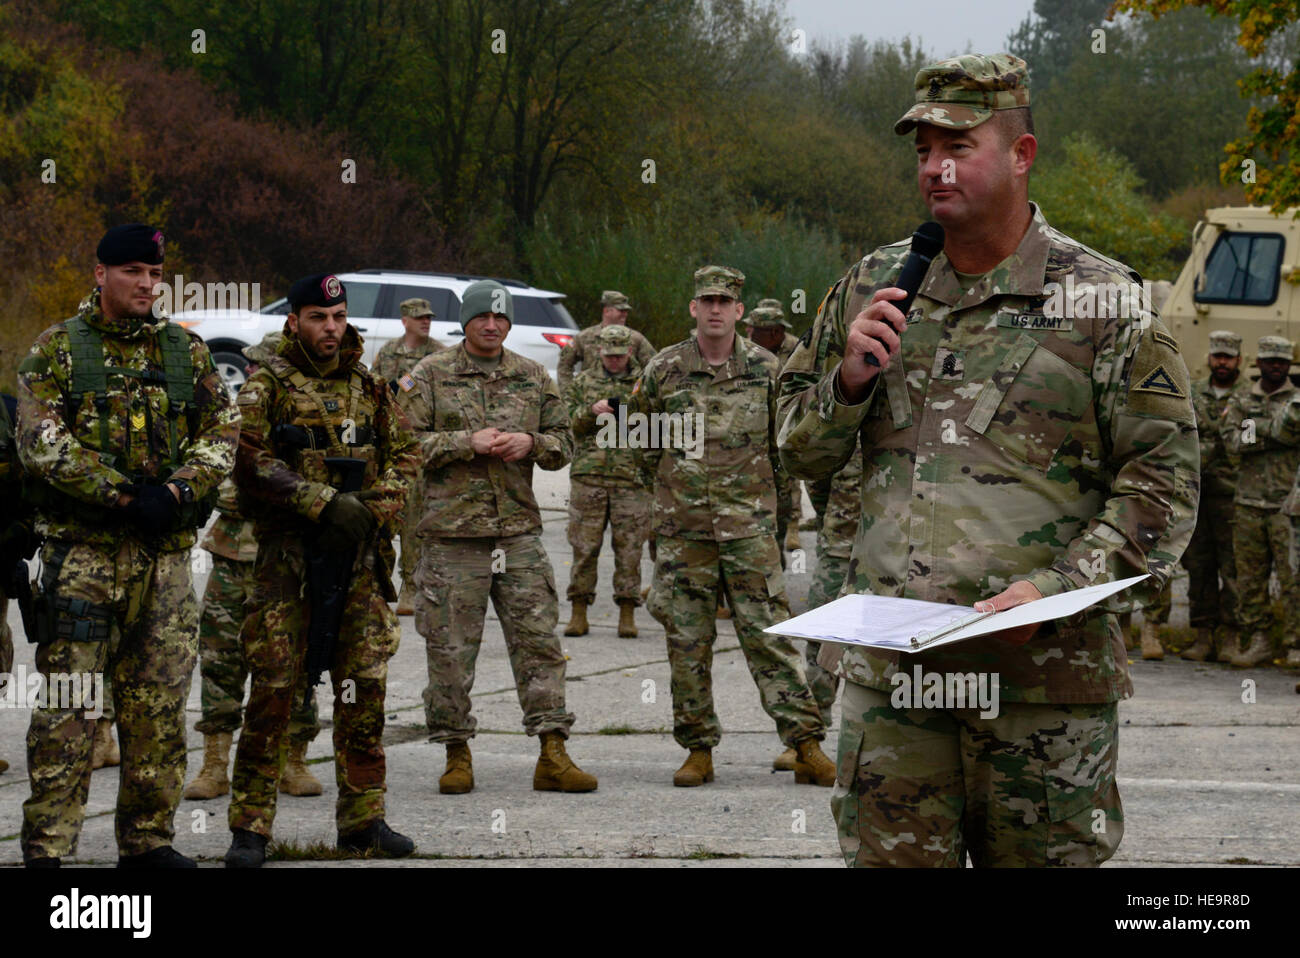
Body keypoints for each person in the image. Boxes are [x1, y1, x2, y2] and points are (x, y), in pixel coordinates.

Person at [777, 54, 1198, 867]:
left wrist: (1055, 589)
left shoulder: (1104, 303)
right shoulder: (872, 287)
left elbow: (1162, 489)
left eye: (960, 145)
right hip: (897, 689)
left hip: (1042, 688)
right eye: (924, 149)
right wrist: (846, 382)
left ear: (1021, 152)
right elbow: (797, 451)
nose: (936, 168)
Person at [16, 224, 240, 867]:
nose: (146, 283)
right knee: (69, 712)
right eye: (133, 271)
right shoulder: (56, 349)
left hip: (164, 561)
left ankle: (147, 842)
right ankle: (48, 847)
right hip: (82, 557)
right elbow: (40, 446)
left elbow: (223, 431)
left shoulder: (185, 353)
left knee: (159, 707)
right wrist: (120, 495)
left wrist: (175, 491)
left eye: (155, 273)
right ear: (100, 273)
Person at [224, 273, 419, 867]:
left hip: (359, 563)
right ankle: (251, 828)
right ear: (294, 321)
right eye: (317, 318)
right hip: (288, 563)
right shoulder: (267, 385)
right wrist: (321, 502)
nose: (330, 329)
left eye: (337, 317)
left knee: (364, 692)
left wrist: (371, 510)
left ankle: (364, 820)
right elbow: (247, 460)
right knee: (273, 692)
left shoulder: (373, 387)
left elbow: (407, 457)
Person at [634, 265, 836, 788]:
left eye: (726, 301)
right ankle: (698, 749)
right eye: (708, 301)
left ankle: (805, 744)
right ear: (694, 309)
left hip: (749, 530)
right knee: (687, 643)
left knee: (769, 638)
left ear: (740, 311)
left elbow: (782, 449)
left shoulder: (769, 369)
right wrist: (665, 504)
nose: (717, 309)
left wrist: (779, 521)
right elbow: (640, 441)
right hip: (685, 536)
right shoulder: (664, 369)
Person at [398, 279, 596, 795]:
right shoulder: (430, 375)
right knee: (450, 651)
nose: (492, 325)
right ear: (465, 322)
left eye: (501, 318)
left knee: (539, 645)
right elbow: (402, 446)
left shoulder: (533, 376)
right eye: (482, 317)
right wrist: (466, 442)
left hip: (518, 535)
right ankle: (456, 752)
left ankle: (552, 751)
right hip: (452, 538)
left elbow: (564, 443)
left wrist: (531, 442)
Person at [183, 335, 323, 801]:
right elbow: (217, 484)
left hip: (289, 557)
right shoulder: (230, 421)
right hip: (231, 554)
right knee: (220, 659)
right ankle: (215, 762)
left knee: (295, 661)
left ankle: (294, 758)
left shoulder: (310, 421)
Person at [562, 324, 650, 639]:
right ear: (599, 351)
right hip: (589, 475)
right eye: (608, 356)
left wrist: (627, 416)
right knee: (584, 547)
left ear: (629, 351)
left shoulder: (645, 384)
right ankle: (578, 611)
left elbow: (656, 426)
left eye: (619, 355)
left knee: (629, 549)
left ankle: (627, 612)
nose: (614, 361)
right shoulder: (584, 382)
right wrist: (591, 411)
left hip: (630, 477)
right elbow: (566, 422)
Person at [1221, 336, 1299, 669]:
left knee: (1293, 580)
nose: (1275, 366)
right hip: (1248, 502)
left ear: (1289, 364)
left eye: (1281, 361)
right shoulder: (1241, 398)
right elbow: (1232, 443)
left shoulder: (1296, 400)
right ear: (1258, 363)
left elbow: (1253, 436)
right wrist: (1276, 432)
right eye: (1269, 360)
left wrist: (1255, 431)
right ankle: (1258, 640)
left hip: (1287, 506)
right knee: (1250, 580)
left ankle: (1295, 645)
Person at [372, 298, 444, 615]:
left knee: (414, 522)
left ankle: (411, 587)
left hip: (419, 440)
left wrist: (402, 384)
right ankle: (378, 583)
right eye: (419, 318)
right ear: (405, 320)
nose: (425, 322)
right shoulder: (389, 351)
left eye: (428, 318)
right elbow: (373, 385)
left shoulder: (438, 353)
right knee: (385, 517)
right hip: (389, 441)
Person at [1180, 330, 1245, 662]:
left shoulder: (1248, 396)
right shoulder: (1193, 393)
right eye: (1217, 355)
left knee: (1232, 565)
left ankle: (1232, 636)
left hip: (1234, 496)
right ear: (1210, 358)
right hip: (1199, 493)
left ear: (1239, 360)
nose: (1222, 361)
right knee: (1199, 565)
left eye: (1228, 356)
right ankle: (1203, 635)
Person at [747, 300, 805, 555]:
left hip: (788, 415)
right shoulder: (747, 351)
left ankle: (791, 525)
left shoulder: (795, 347)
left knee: (788, 476)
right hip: (759, 419)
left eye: (754, 330)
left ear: (775, 332)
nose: (749, 334)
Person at [557, 289, 656, 389]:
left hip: (622, 398)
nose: (625, 314)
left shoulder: (636, 338)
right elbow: (564, 364)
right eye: (621, 310)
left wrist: (642, 392)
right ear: (607, 311)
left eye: (626, 311)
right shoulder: (584, 337)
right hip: (591, 398)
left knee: (622, 405)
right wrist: (569, 391)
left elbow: (654, 365)